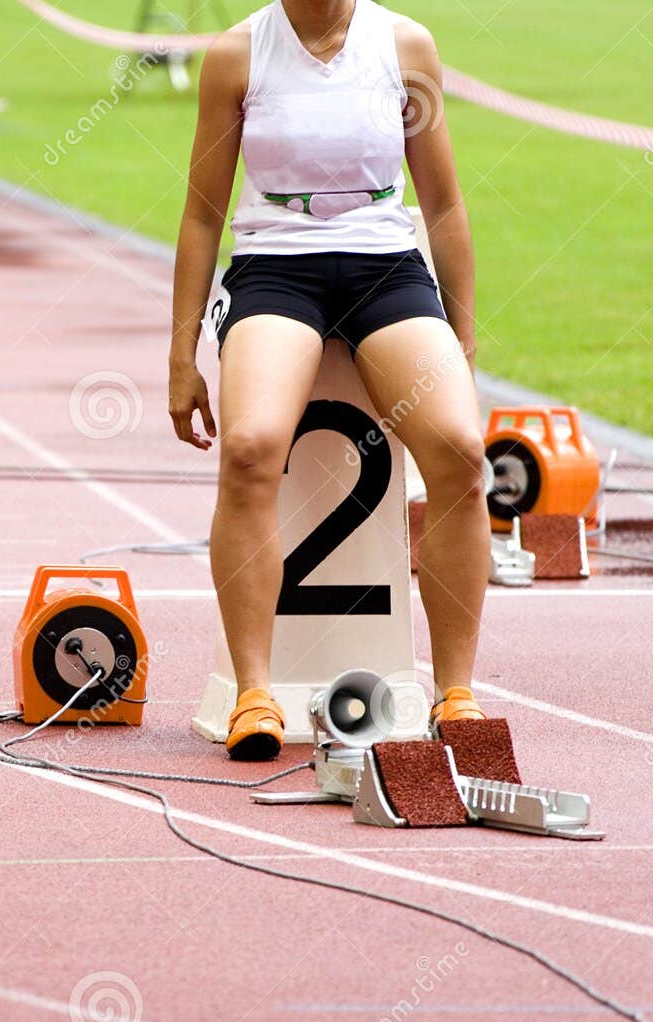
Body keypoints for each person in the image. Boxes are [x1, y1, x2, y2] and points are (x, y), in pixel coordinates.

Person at [167, 0, 490, 760]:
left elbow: (441, 204)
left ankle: (455, 692)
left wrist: (462, 334)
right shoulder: (236, 53)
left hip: (385, 267)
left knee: (462, 451)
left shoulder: (406, 44)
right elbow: (201, 213)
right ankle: (256, 692)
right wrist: (181, 357)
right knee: (249, 447)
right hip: (276, 271)